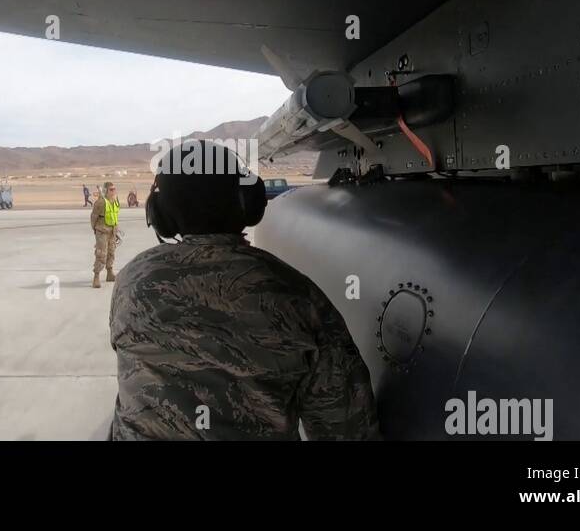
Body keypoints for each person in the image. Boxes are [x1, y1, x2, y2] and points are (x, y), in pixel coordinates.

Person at [109, 140, 378, 440]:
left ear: (160, 214)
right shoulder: (296, 295)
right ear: (249, 202)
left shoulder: (133, 280)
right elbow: (346, 426)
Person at [90, 181, 120, 288]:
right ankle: (96, 276)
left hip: (112, 231)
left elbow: (115, 216)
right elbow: (93, 217)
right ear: (106, 191)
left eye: (114, 189)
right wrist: (95, 229)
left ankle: (109, 273)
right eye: (111, 189)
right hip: (102, 231)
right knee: (101, 254)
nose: (113, 191)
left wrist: (116, 230)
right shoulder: (101, 202)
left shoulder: (116, 201)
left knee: (111, 253)